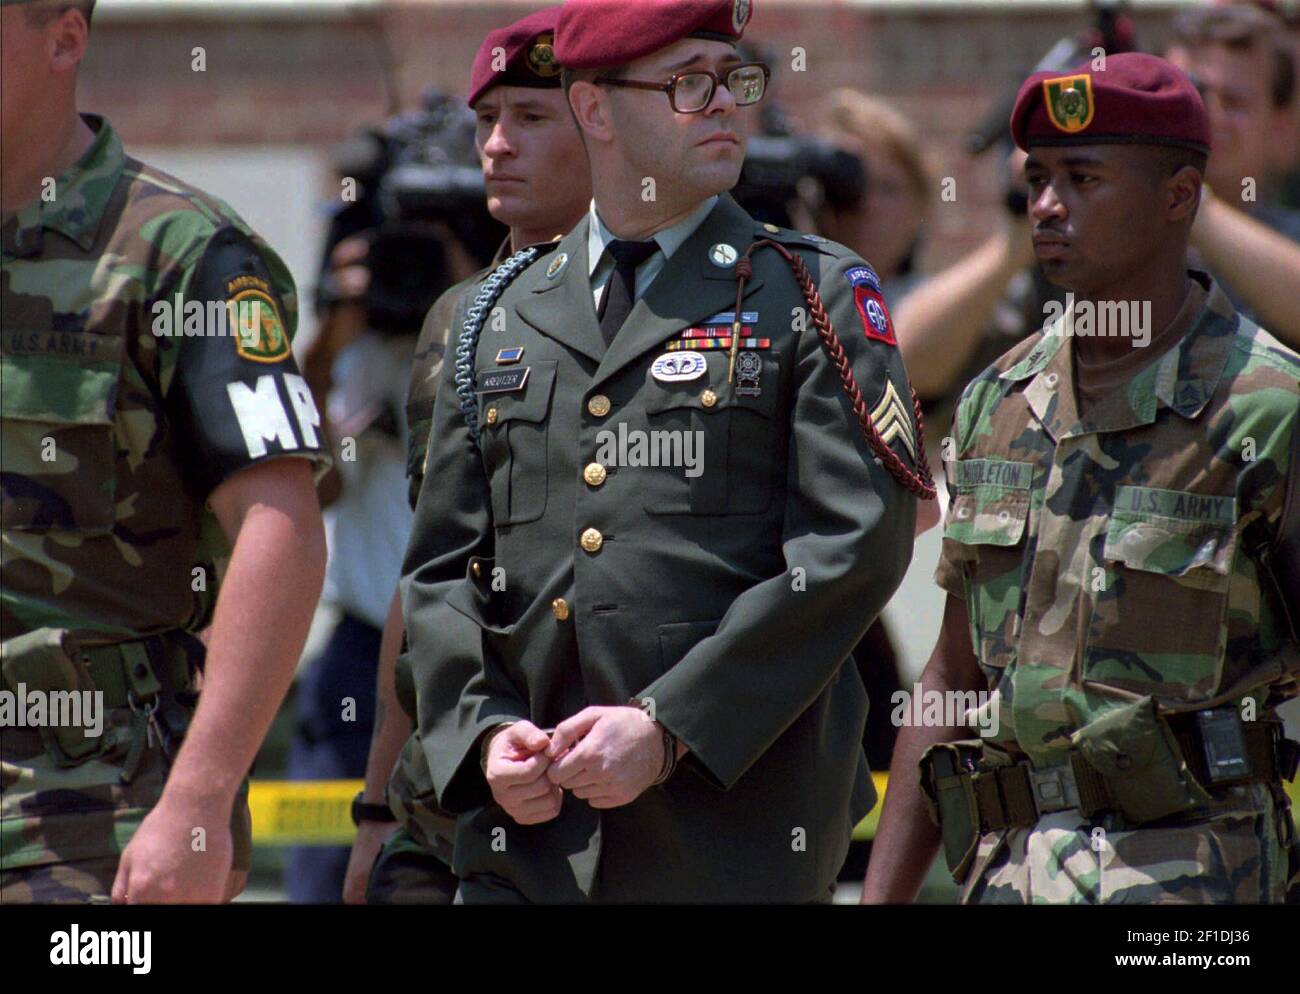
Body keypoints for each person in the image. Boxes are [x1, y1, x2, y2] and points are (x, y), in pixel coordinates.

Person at [402, 0, 928, 904]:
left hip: (734, 840)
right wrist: (483, 731)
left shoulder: (810, 292)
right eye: (688, 83)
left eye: (735, 80)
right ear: (595, 110)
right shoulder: (494, 313)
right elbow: (443, 570)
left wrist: (670, 725)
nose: (723, 104)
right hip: (525, 842)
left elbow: (852, 550)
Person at [862, 52, 1300, 905]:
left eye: (1084, 178)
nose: (1049, 205)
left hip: (1195, 891)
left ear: (1178, 198)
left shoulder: (1268, 409)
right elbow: (952, 680)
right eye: (1038, 178)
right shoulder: (999, 401)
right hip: (1009, 876)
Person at [0, 0, 329, 903]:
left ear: (64, 38)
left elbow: (281, 527)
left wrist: (200, 797)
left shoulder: (183, 255)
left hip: (88, 810)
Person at [341, 4, 592, 904]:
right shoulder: (459, 318)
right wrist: (375, 810)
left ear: (601, 126)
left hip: (584, 795)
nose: (494, 146)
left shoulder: (669, 308)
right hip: (438, 801)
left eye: (530, 118)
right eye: (488, 121)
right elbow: (428, 576)